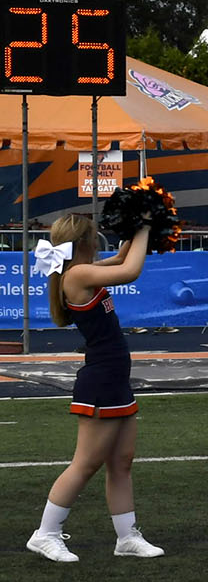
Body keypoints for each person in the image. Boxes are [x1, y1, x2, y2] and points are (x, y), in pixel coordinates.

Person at [24, 214, 164, 562]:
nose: (99, 242)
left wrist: (136, 228)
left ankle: (126, 536)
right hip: (100, 379)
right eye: (95, 238)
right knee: (85, 463)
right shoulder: (77, 274)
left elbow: (120, 260)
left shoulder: (80, 270)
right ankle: (46, 533)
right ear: (84, 243)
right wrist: (145, 227)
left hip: (114, 377)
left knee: (121, 461)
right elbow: (131, 271)